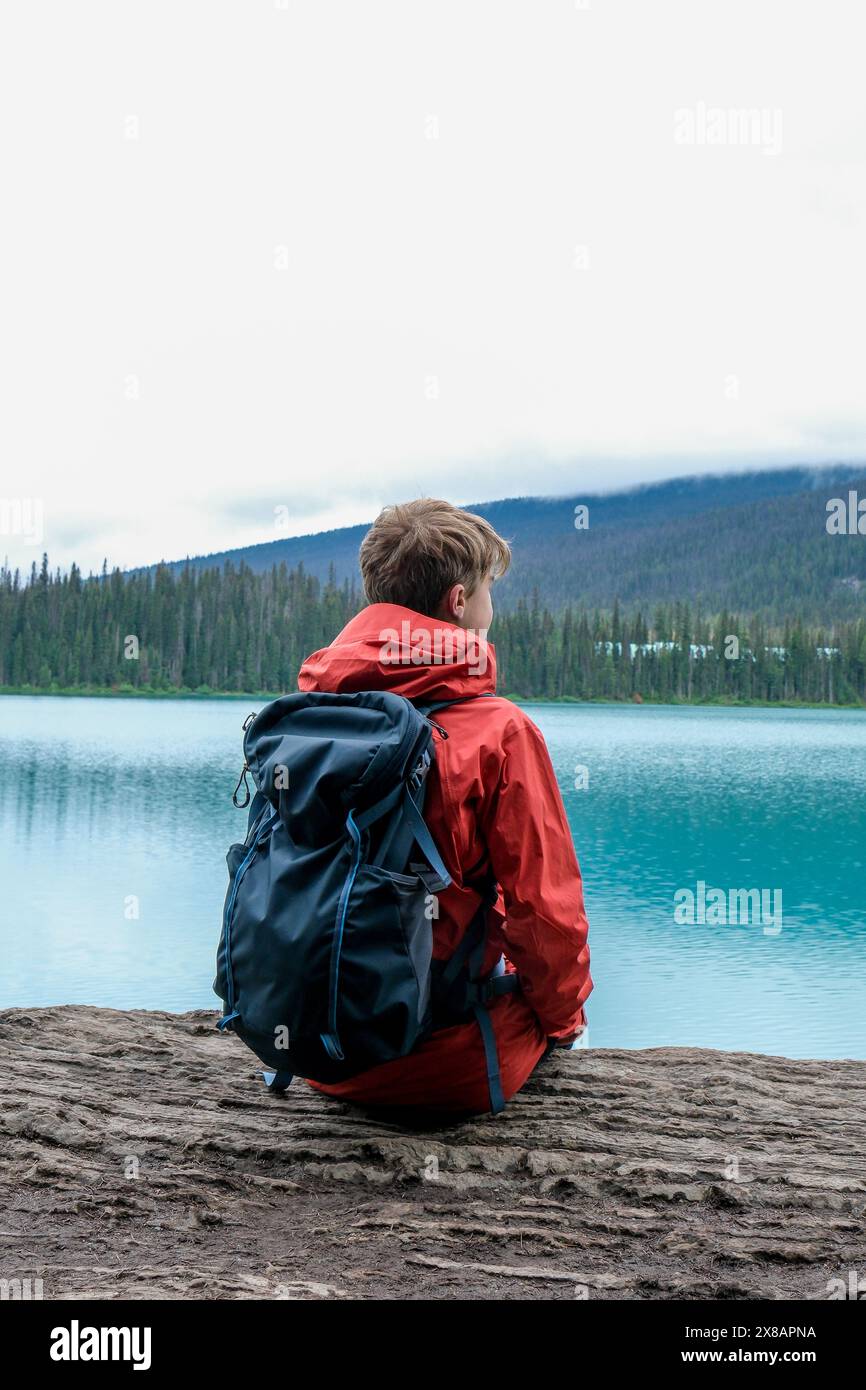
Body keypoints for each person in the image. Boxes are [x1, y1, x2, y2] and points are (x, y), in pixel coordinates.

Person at [298, 498, 592, 1113]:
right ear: (458, 603)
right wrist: (563, 1022)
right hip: (440, 1068)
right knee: (545, 1005)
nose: (492, 609)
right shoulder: (501, 734)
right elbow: (547, 920)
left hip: (315, 1051)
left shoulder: (313, 718)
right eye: (488, 591)